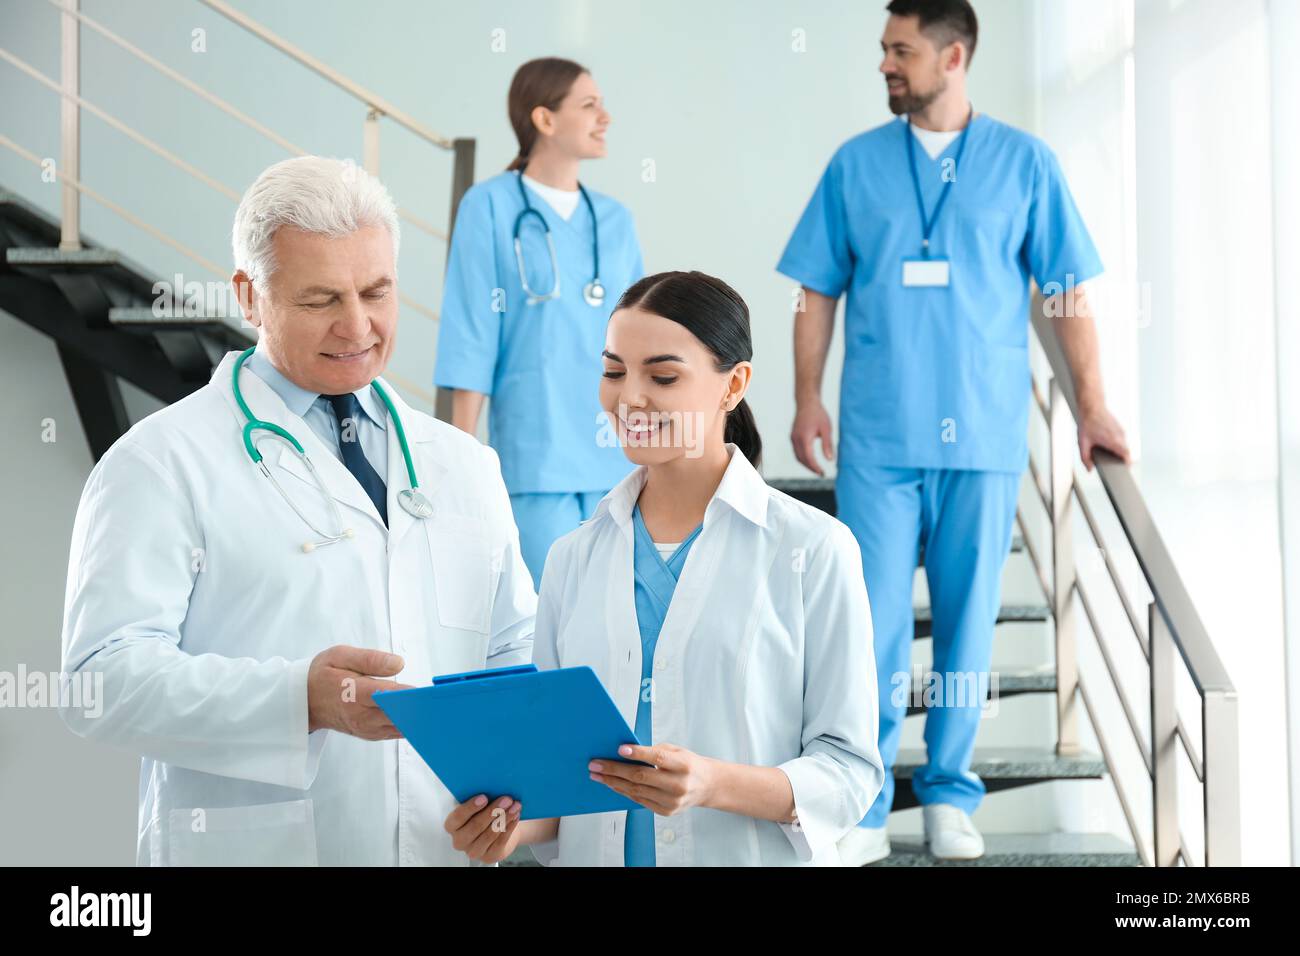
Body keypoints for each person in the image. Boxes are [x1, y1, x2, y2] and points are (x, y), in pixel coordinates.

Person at [59, 156, 536, 866]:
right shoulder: (159, 462)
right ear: (250, 298)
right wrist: (299, 699)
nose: (358, 326)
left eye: (377, 292)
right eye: (321, 300)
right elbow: (100, 681)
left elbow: (512, 654)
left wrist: (512, 797)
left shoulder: (462, 463)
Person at [777, 0, 1131, 864]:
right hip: (881, 434)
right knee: (870, 627)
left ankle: (948, 794)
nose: (886, 65)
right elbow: (815, 293)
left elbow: (1067, 292)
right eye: (884, 50)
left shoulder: (1025, 164)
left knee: (968, 625)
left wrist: (1092, 404)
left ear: (954, 55)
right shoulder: (855, 166)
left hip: (982, 430)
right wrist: (806, 397)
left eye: (900, 51)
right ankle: (861, 803)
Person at [442, 270, 885, 866]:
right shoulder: (574, 558)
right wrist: (509, 828)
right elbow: (560, 779)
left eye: (664, 376)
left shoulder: (814, 549)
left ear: (734, 386)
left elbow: (849, 771)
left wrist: (711, 783)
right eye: (614, 371)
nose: (630, 398)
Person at [435, 57, 645, 588]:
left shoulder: (616, 220)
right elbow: (472, 332)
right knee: (543, 618)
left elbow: (649, 340)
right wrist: (461, 463)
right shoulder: (489, 206)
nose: (606, 117)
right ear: (545, 120)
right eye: (589, 104)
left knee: (622, 616)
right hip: (537, 454)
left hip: (619, 455)